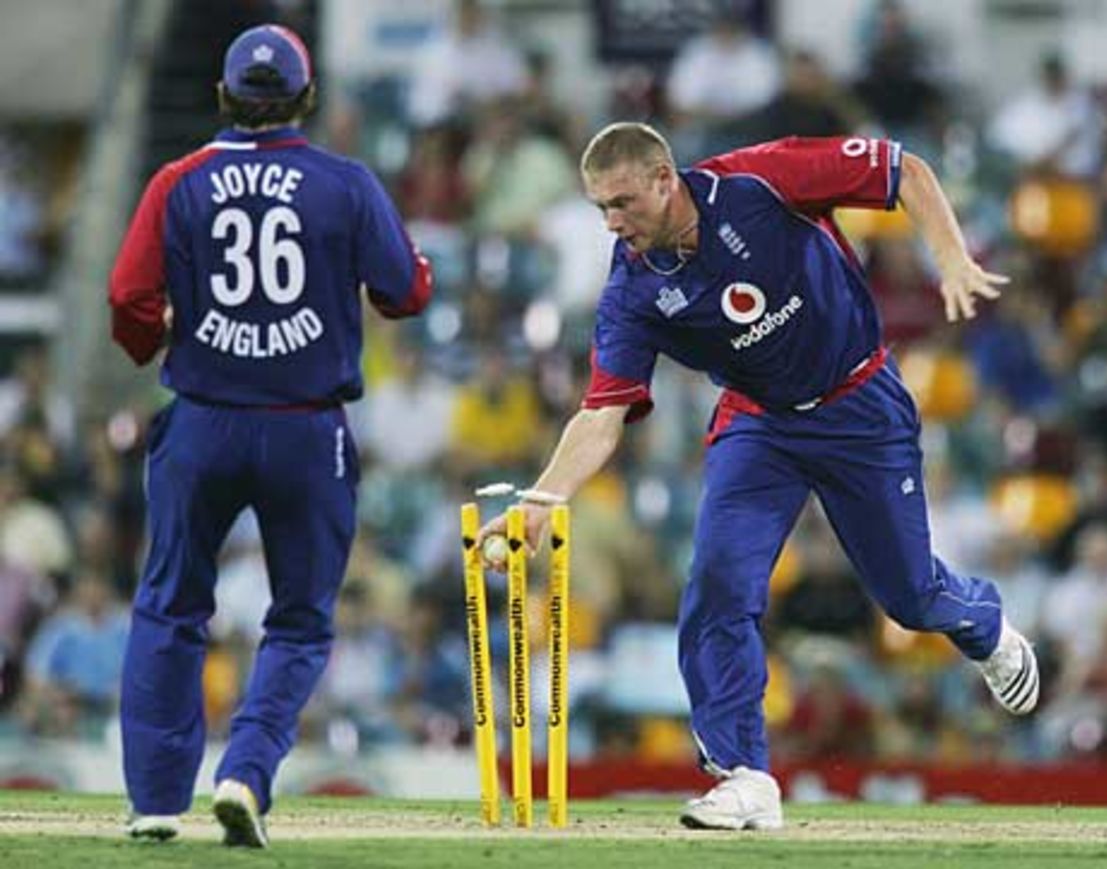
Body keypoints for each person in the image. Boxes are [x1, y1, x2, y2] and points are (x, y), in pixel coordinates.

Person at [479, 122, 1039, 830]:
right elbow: (601, 413)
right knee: (718, 585)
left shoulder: (760, 180)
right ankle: (743, 774)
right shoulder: (631, 291)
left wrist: (951, 257)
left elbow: (905, 170)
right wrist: (541, 500)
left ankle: (985, 626)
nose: (614, 223)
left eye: (623, 202)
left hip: (859, 401)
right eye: (600, 209)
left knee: (911, 597)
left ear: (664, 177)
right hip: (759, 425)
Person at [109, 24, 432, 846]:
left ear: (223, 97)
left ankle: (153, 798)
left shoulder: (179, 180)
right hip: (305, 427)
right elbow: (406, 292)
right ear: (308, 98)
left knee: (171, 605)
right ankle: (245, 773)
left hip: (204, 420)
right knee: (300, 618)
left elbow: (126, 297)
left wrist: (159, 340)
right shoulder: (345, 182)